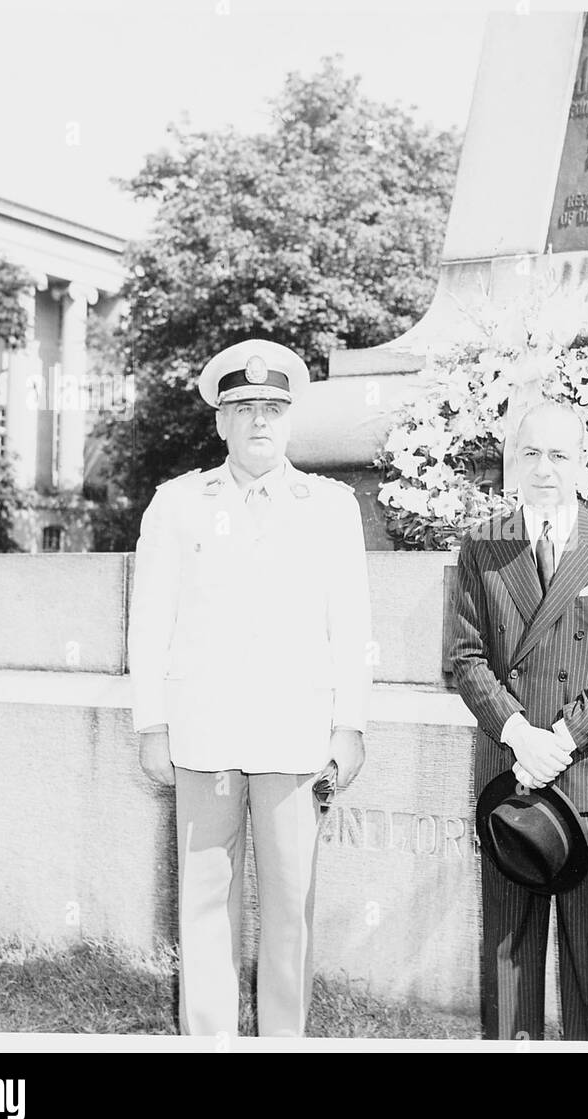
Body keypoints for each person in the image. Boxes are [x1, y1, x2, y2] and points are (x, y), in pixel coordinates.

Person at [128, 338, 372, 1037]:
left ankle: (282, 1043)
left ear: (289, 419)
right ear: (220, 423)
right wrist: (152, 725)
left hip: (294, 740)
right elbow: (150, 625)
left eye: (271, 407)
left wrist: (349, 724)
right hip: (203, 736)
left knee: (291, 907)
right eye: (243, 408)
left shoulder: (328, 507)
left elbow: (350, 625)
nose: (259, 421)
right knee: (205, 904)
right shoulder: (178, 505)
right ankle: (210, 1042)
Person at [449, 399, 588, 1041]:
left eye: (559, 455)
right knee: (508, 955)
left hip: (587, 775)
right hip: (510, 778)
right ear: (513, 460)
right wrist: (519, 736)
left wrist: (559, 740)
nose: (544, 469)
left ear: (583, 462)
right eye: (530, 453)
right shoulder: (482, 545)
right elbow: (464, 655)